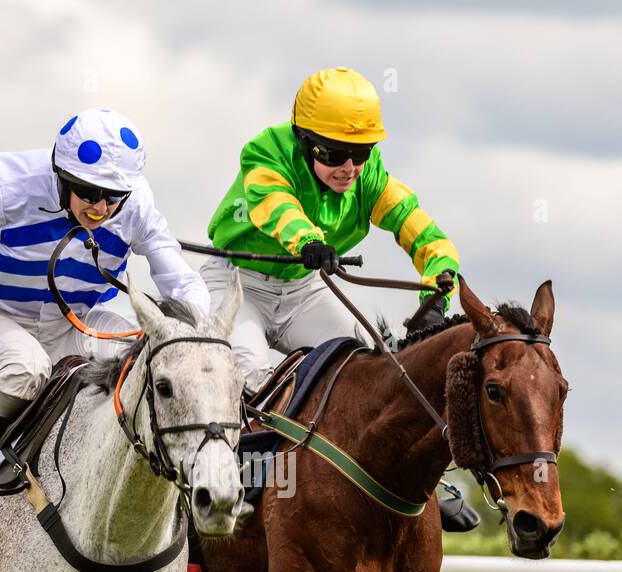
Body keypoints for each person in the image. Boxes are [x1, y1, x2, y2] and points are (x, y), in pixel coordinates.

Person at [0, 108, 213, 549]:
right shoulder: (1, 182)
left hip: (76, 322)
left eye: (113, 197)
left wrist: (197, 331)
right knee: (27, 370)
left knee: (144, 365)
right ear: (61, 173)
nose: (101, 207)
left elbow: (178, 278)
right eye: (89, 192)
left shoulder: (136, 204)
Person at [203, 68, 478, 532]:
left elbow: (416, 224)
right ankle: (235, 479)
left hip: (301, 287)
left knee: (379, 362)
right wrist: (306, 238)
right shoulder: (265, 151)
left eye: (361, 153)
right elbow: (274, 204)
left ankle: (425, 483)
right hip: (235, 283)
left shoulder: (368, 176)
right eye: (334, 154)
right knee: (248, 371)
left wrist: (439, 272)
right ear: (304, 141)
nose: (349, 168)